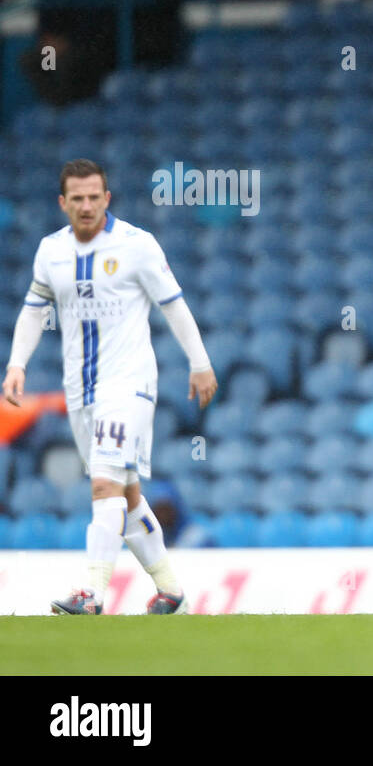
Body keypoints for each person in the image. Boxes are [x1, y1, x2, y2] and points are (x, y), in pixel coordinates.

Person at [3, 159, 218, 615]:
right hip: (80, 391)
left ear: (107, 198)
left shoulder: (137, 245)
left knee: (103, 487)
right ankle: (172, 593)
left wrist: (199, 363)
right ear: (63, 203)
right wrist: (17, 364)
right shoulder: (51, 251)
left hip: (128, 385)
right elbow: (33, 309)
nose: (85, 205)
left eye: (93, 196)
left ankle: (91, 592)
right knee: (128, 495)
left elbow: (174, 306)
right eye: (76, 198)